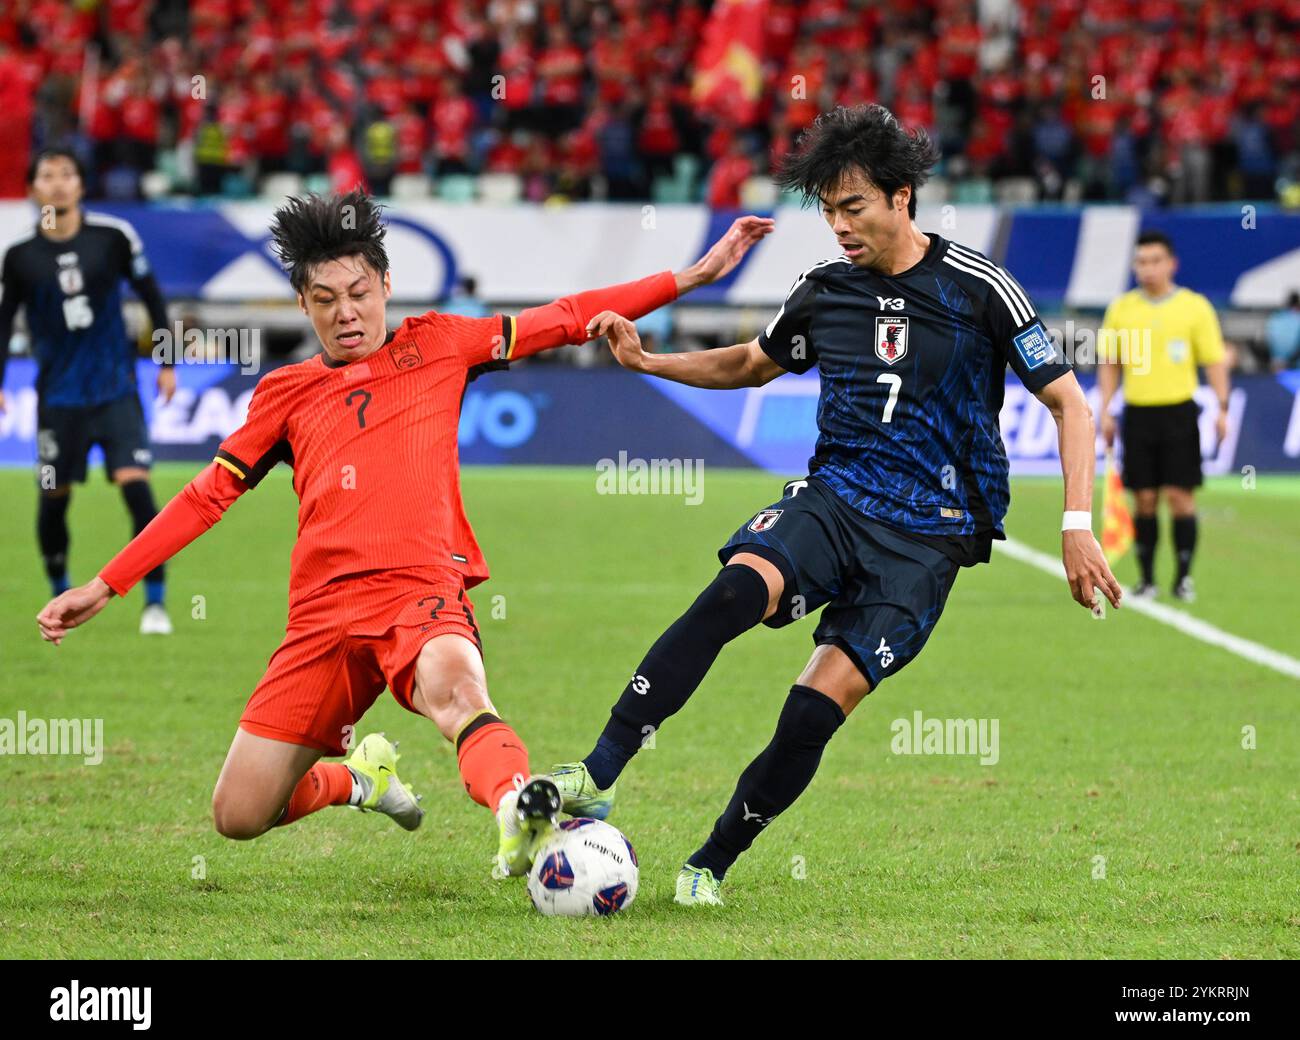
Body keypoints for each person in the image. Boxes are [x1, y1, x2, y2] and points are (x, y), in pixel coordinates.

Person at [36, 190, 772, 880]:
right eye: (325, 300)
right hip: (321, 619)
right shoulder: (284, 395)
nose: (345, 313)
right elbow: (206, 497)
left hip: (419, 591)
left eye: (359, 294)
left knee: (457, 689)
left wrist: (693, 275)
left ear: (386, 286)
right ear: (303, 304)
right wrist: (107, 583)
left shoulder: (441, 345)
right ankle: (360, 778)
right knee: (239, 814)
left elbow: (567, 313)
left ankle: (522, 808)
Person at [549, 104, 1120, 906]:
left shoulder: (980, 287)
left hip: (931, 537)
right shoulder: (824, 291)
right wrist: (650, 360)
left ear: (902, 197)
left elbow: (1071, 405)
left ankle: (709, 862)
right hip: (837, 497)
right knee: (733, 592)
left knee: (815, 711)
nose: (839, 225)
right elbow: (752, 364)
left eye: (853, 207)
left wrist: (1076, 525)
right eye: (827, 210)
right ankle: (599, 771)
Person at [0, 148, 175, 633]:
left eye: (67, 175)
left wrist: (165, 361)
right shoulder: (19, 257)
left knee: (135, 487)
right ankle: (60, 590)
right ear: (34, 190)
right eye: (47, 176)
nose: (57, 184)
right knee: (54, 496)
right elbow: (3, 321)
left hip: (116, 391)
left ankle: (155, 603)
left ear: (80, 185)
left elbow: (153, 298)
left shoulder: (113, 238)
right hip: (58, 400)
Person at [1098, 230, 1230, 602]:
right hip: (1138, 414)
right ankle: (1147, 579)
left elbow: (1214, 361)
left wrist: (1222, 408)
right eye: (1141, 261)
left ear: (1172, 264)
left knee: (1180, 497)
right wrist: (1107, 409)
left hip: (1179, 414)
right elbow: (1111, 363)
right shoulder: (1122, 309)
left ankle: (1184, 577)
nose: (1147, 268)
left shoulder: (1194, 307)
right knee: (1143, 499)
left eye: (1155, 261)